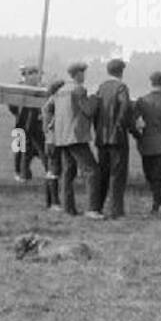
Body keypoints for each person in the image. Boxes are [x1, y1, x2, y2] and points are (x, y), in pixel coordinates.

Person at [52, 61, 103, 219]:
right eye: (83, 73)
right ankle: (92, 208)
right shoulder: (78, 89)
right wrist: (95, 99)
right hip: (76, 136)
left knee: (68, 172)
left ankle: (68, 208)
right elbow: (88, 111)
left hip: (62, 137)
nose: (84, 76)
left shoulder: (60, 91)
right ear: (78, 74)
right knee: (92, 170)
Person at [132, 70, 161, 216]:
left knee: (152, 179)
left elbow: (135, 124)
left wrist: (139, 139)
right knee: (159, 180)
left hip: (147, 147)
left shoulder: (142, 101)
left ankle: (158, 208)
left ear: (151, 83)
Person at [93, 58, 133, 219]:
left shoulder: (101, 88)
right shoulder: (121, 87)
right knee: (117, 174)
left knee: (102, 173)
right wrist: (123, 127)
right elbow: (125, 109)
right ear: (121, 72)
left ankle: (98, 206)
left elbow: (95, 110)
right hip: (117, 137)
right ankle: (116, 210)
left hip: (101, 137)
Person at [8, 64, 45, 181]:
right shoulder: (19, 88)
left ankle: (23, 173)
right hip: (22, 123)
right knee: (19, 149)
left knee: (31, 150)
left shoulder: (38, 88)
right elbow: (12, 105)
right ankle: (19, 172)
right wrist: (18, 114)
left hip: (32, 123)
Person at [40, 77, 66, 211]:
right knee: (54, 172)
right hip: (54, 141)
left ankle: (49, 202)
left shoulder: (48, 103)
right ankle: (55, 202)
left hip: (49, 141)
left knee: (50, 172)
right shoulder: (54, 103)